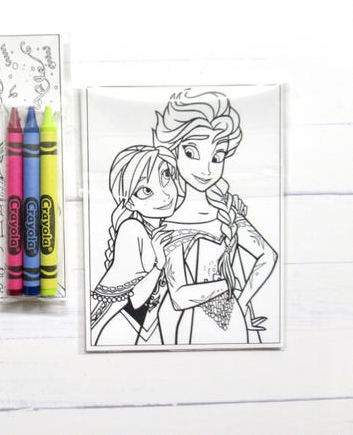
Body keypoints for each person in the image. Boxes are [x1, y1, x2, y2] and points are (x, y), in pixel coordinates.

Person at [152, 88, 278, 345]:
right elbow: (178, 298)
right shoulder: (170, 224)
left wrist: (241, 300)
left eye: (217, 157)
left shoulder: (226, 211)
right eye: (191, 153)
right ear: (172, 152)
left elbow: (268, 256)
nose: (206, 169)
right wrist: (228, 287)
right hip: (192, 328)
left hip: (232, 323)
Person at [90, 145, 230, 346]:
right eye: (146, 190)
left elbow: (179, 297)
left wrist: (225, 284)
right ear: (129, 202)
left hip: (151, 331)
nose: (164, 194)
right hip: (121, 327)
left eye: (166, 176)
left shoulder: (166, 233)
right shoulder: (132, 229)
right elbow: (135, 300)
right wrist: (159, 264)